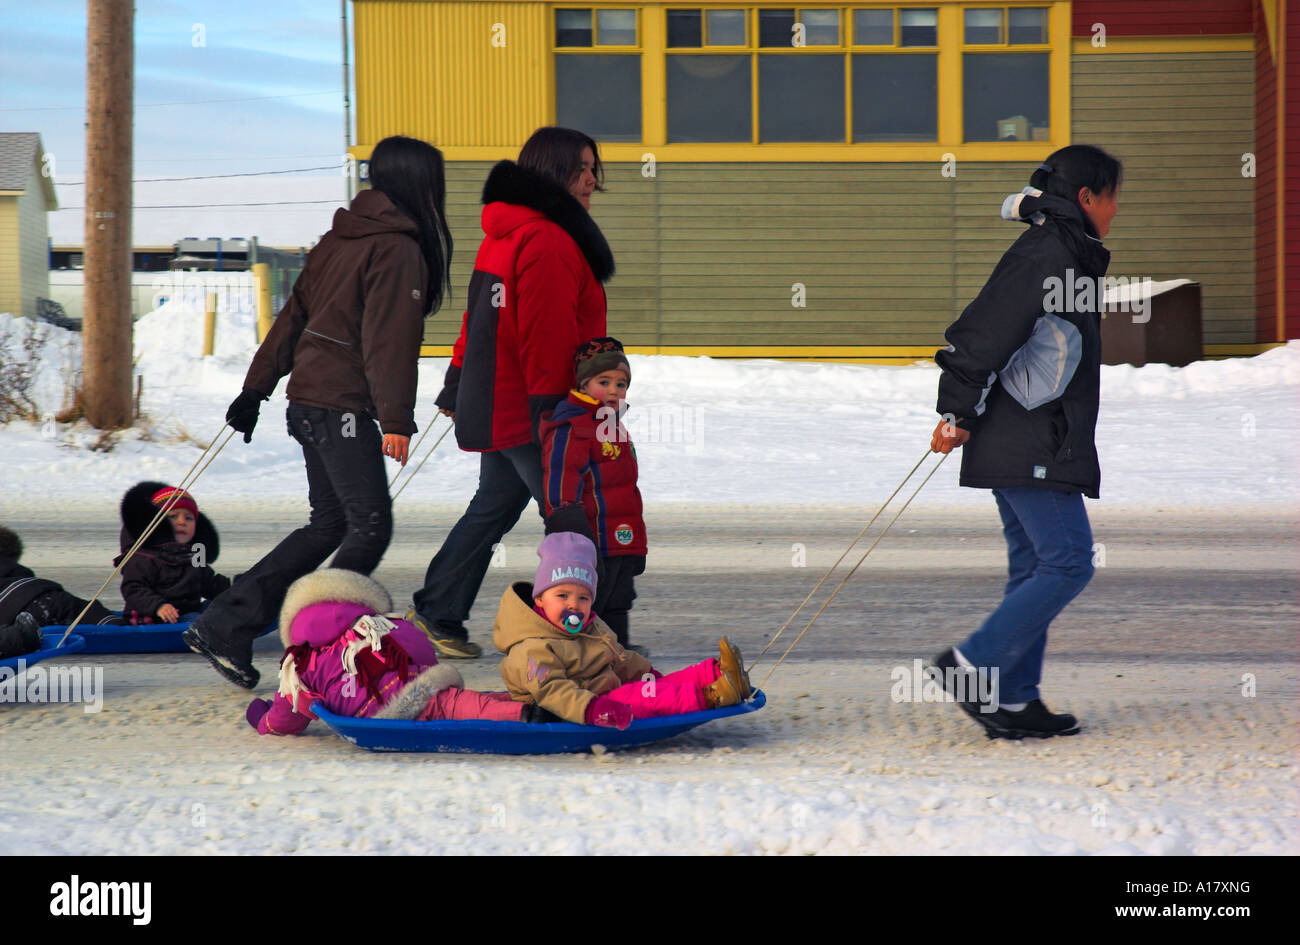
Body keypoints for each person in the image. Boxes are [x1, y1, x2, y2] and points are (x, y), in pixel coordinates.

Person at [184, 134, 454, 689]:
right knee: (369, 526)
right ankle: (321, 643)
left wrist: (256, 389)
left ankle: (227, 621)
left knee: (329, 524)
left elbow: (291, 317)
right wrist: (397, 420)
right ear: (421, 184)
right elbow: (389, 341)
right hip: (340, 406)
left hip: (310, 400)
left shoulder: (341, 237)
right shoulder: (397, 248)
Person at [927, 144, 1121, 740]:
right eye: (1113, 196)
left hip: (1026, 434)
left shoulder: (1067, 253)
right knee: (1067, 563)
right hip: (1031, 438)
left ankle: (1013, 698)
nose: (1117, 209)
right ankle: (974, 665)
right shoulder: (1049, 253)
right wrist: (957, 408)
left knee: (1035, 565)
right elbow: (984, 330)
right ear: (1087, 198)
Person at [408, 126, 615, 659]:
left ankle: (436, 613)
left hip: (503, 400)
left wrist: (457, 378)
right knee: (572, 512)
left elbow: (477, 319)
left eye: (595, 168)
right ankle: (584, 633)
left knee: (494, 504)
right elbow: (545, 335)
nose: (593, 179)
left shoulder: (507, 231)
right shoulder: (545, 238)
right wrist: (555, 413)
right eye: (583, 167)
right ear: (553, 170)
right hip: (531, 406)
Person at [492, 532, 750, 729]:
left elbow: (617, 657)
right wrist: (592, 708)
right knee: (646, 697)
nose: (574, 604)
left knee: (655, 687)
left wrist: (646, 673)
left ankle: (718, 673)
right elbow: (551, 691)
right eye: (562, 595)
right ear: (539, 600)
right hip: (575, 711)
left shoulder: (590, 626)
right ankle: (713, 696)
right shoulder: (532, 647)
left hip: (607, 694)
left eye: (583, 597)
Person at [244, 569, 546, 736]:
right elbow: (423, 651)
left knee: (452, 705)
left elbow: (285, 718)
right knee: (455, 703)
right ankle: (525, 709)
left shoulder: (300, 662)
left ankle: (525, 710)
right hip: (406, 691)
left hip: (369, 713)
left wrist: (260, 717)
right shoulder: (375, 626)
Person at [539, 337, 647, 652]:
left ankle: (619, 650)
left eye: (621, 383)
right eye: (604, 381)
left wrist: (635, 544)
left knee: (620, 597)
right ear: (584, 384)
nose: (615, 390)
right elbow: (560, 481)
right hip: (592, 537)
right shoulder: (572, 426)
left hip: (620, 537)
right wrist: (570, 530)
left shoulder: (612, 424)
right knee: (592, 599)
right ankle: (591, 657)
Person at [1, 524, 125, 659]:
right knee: (82, 610)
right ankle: (111, 622)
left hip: (17, 607)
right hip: (44, 593)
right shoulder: (18, 571)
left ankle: (21, 636)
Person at [115, 482, 231, 624]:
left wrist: (237, 588)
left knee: (218, 608)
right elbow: (133, 589)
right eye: (173, 516)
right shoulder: (144, 556)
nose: (182, 522)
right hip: (153, 618)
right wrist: (158, 606)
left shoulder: (194, 553)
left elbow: (208, 582)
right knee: (198, 620)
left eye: (189, 518)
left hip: (187, 614)